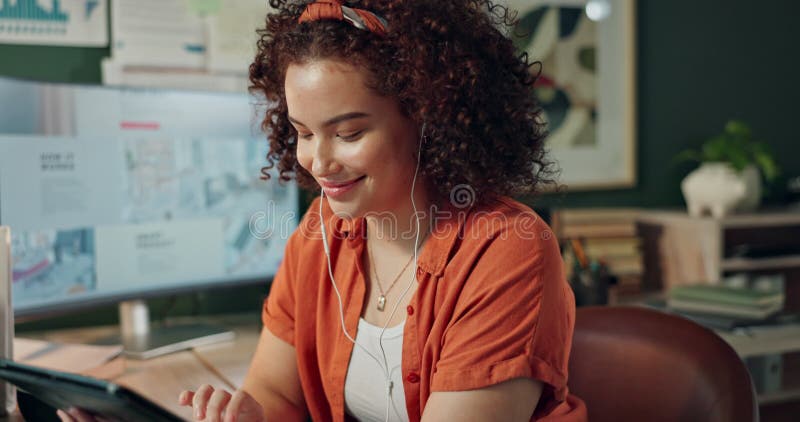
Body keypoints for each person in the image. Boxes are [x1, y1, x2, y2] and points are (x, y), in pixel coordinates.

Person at [58, 1, 587, 421]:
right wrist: (248, 416)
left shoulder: (507, 248)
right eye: (303, 132)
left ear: (430, 117)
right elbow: (273, 393)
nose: (318, 161)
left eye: (349, 132)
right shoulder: (320, 231)